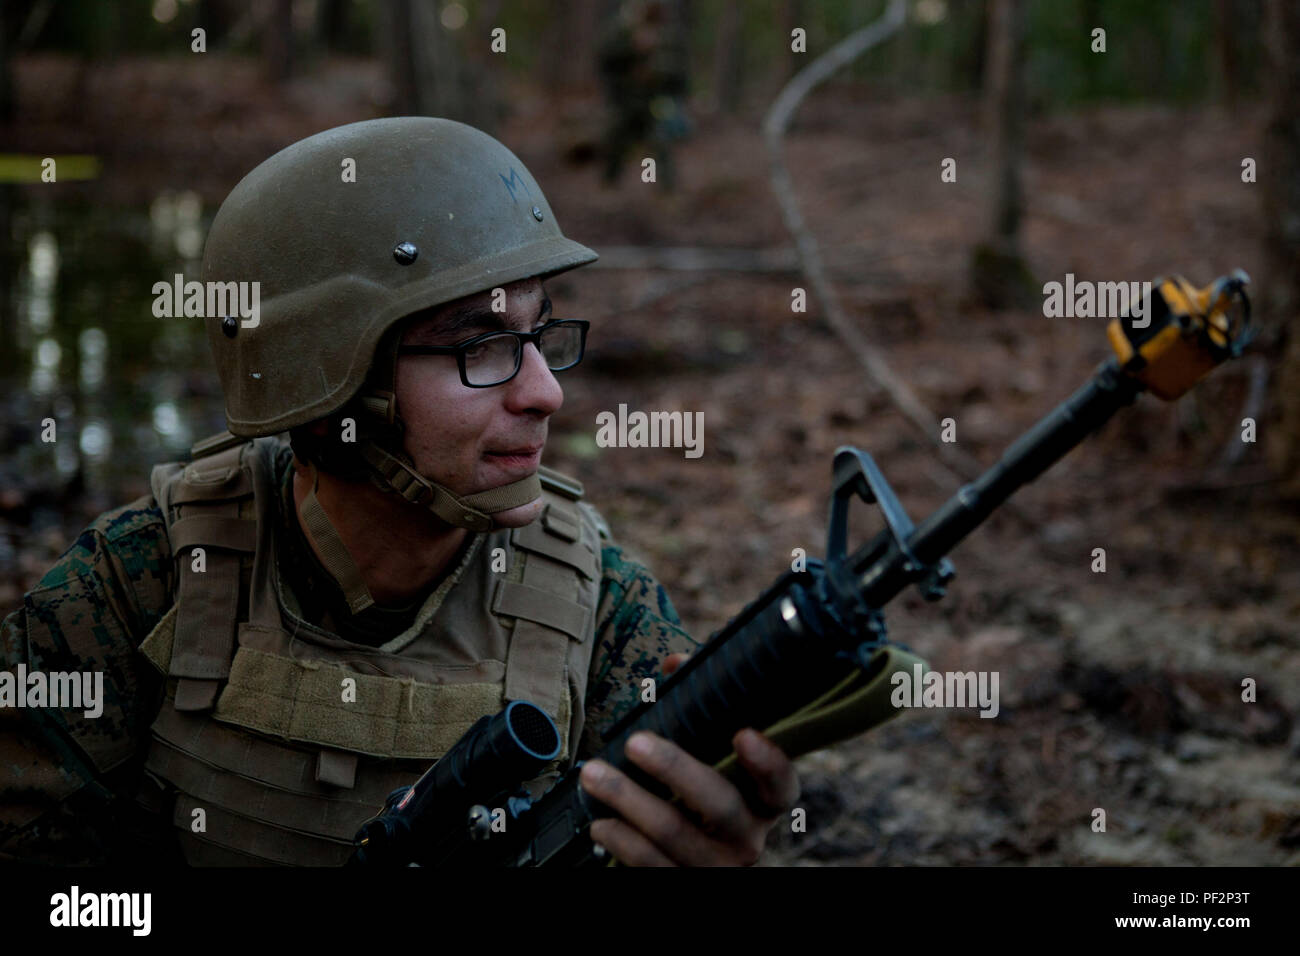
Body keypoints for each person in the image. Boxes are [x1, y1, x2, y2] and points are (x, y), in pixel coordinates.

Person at [0, 117, 797, 866]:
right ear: (328, 385)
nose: (545, 393)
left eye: (540, 334)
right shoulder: (142, 581)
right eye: (481, 345)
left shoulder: (602, 612)